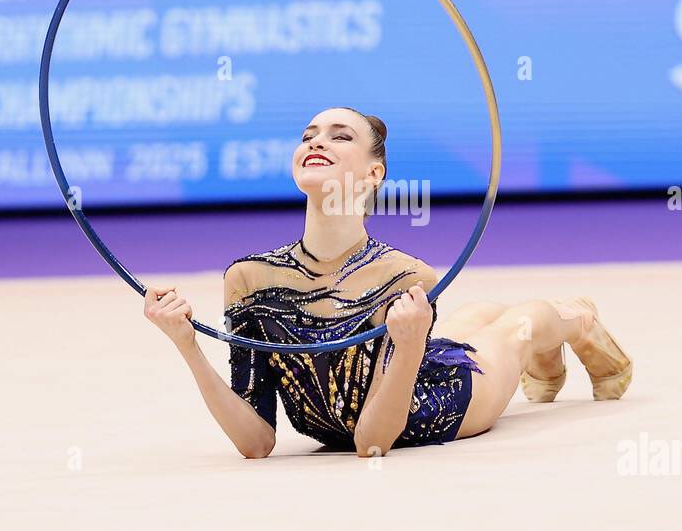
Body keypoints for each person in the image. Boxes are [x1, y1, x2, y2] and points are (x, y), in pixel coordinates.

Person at [144, 106, 632, 458]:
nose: (316, 142)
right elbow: (255, 443)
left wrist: (412, 340)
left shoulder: (405, 275)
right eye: (309, 133)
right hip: (386, 382)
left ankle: (578, 323)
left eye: (339, 136)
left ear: (374, 172)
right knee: (474, 319)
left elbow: (374, 441)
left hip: (433, 406)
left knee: (515, 329)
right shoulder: (249, 279)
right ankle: (538, 351)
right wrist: (187, 345)